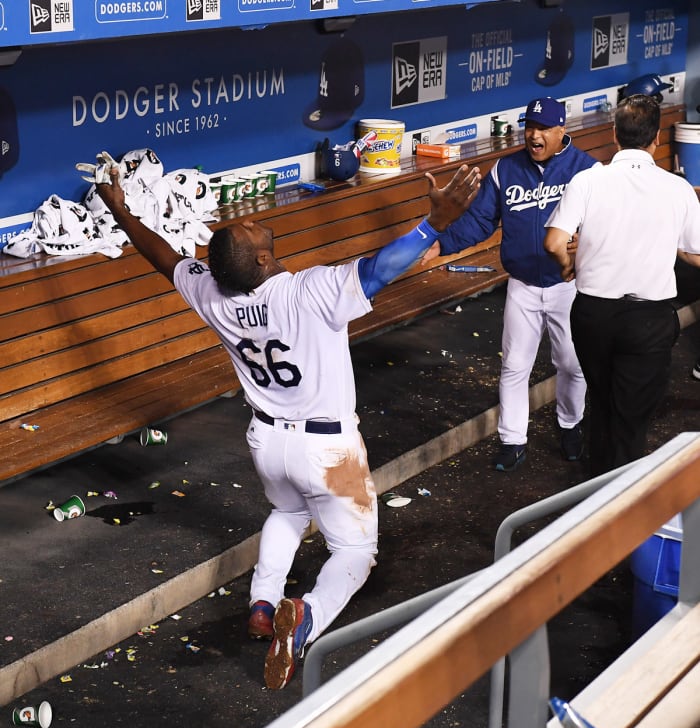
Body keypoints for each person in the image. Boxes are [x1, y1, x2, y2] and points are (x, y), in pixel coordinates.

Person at [86, 158, 481, 689]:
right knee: (356, 551)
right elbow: (381, 269)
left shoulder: (211, 293)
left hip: (267, 441)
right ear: (264, 256)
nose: (249, 220)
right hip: (331, 452)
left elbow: (163, 257)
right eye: (248, 229)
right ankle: (307, 618)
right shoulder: (307, 291)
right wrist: (434, 222)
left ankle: (263, 602)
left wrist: (120, 210)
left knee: (287, 511)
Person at [425, 97, 599, 472]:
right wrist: (442, 244)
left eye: (543, 129)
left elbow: (608, 221)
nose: (534, 136)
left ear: (561, 130)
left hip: (568, 284)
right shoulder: (506, 169)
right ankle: (512, 441)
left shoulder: (586, 170)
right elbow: (480, 220)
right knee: (515, 365)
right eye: (529, 127)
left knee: (572, 363)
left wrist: (587, 242)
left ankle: (571, 424)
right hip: (521, 284)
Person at [544, 93, 700, 476]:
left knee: (602, 402)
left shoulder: (588, 180)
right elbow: (696, 253)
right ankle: (617, 509)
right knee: (631, 418)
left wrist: (570, 265)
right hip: (648, 320)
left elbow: (552, 242)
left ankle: (596, 487)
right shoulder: (677, 188)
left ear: (614, 135)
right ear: (657, 138)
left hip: (593, 314)